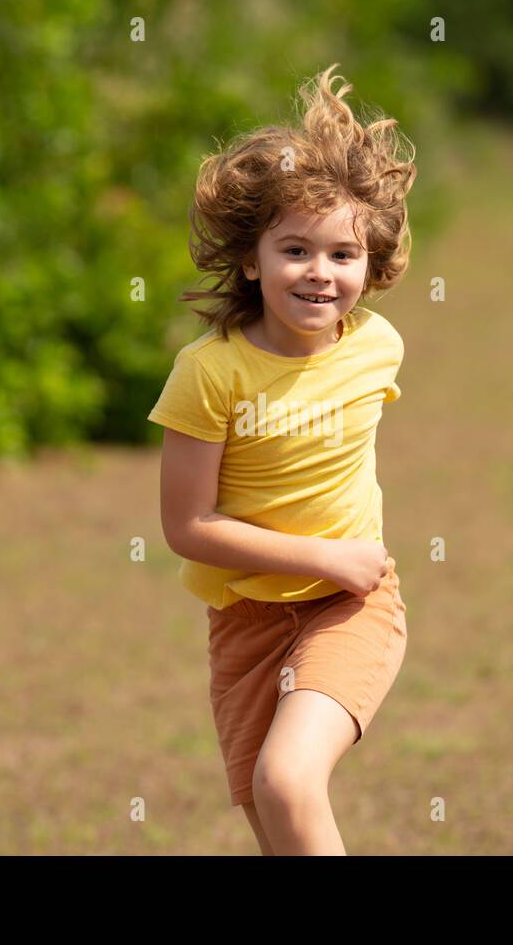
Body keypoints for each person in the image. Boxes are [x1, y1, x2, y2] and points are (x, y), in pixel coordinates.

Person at [147, 63, 416, 855]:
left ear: (371, 265)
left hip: (352, 602)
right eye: (296, 249)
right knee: (279, 828)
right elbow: (188, 526)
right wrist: (318, 552)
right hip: (245, 623)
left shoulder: (378, 346)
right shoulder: (208, 373)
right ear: (252, 260)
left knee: (288, 781)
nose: (322, 274)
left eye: (344, 254)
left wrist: (339, 565)